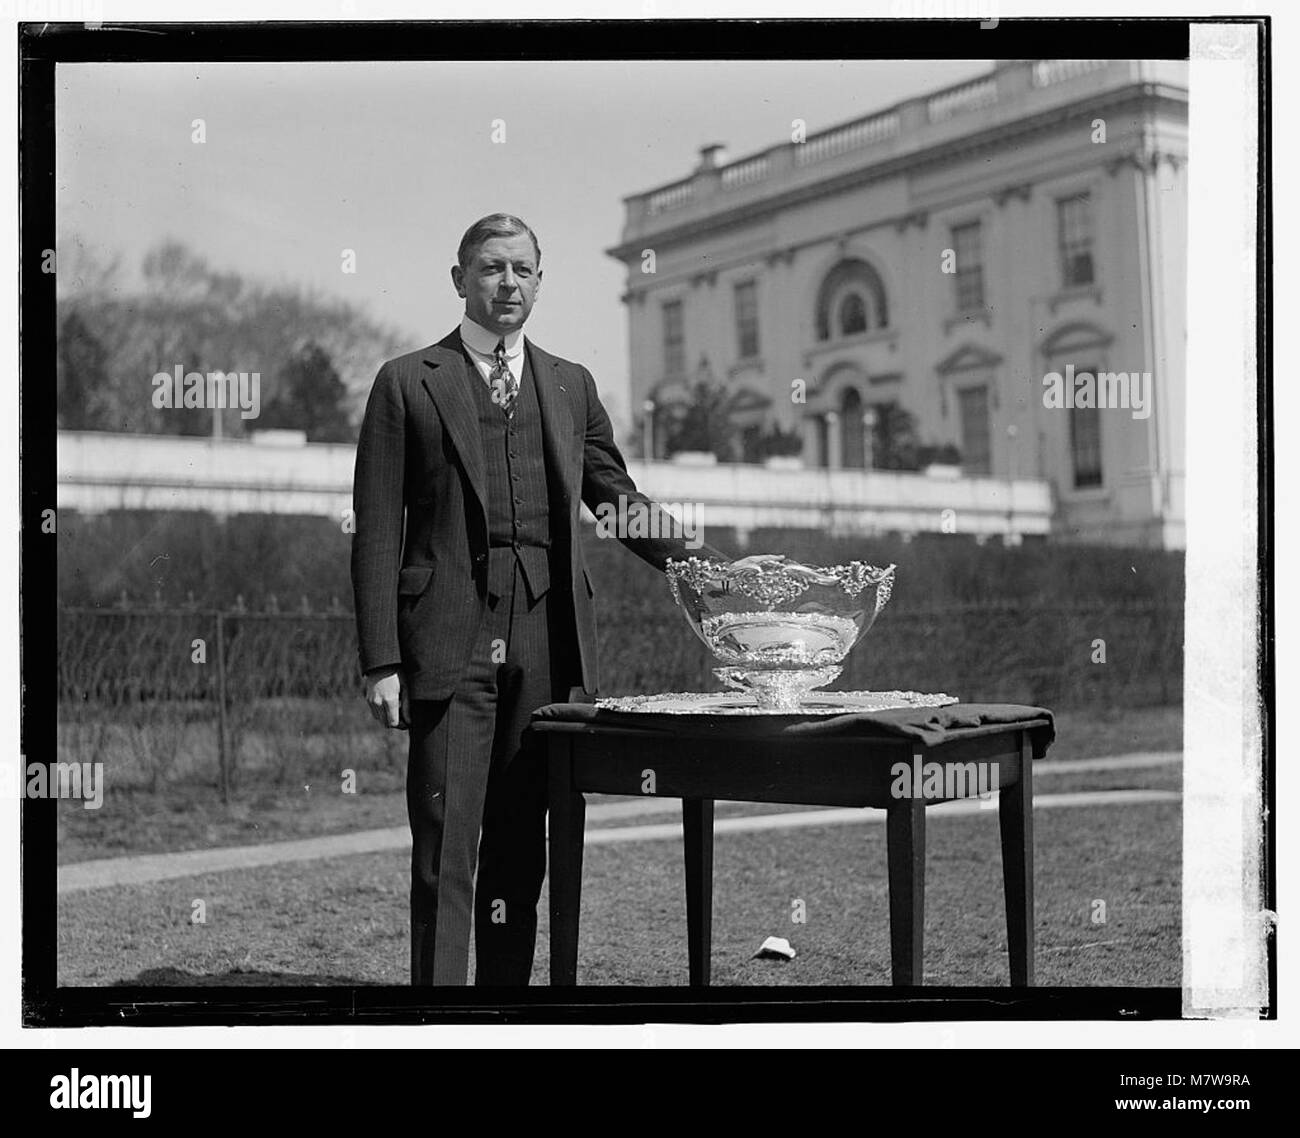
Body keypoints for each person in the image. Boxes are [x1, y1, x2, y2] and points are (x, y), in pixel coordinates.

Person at [350, 213, 730, 985]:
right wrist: (380, 660)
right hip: (447, 640)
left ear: (539, 281)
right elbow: (378, 527)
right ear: (460, 279)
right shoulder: (406, 381)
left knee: (522, 846)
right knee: (445, 847)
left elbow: (614, 499)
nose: (508, 284)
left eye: (522, 270)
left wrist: (705, 568)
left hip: (547, 640)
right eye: (491, 268)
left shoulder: (570, 384)